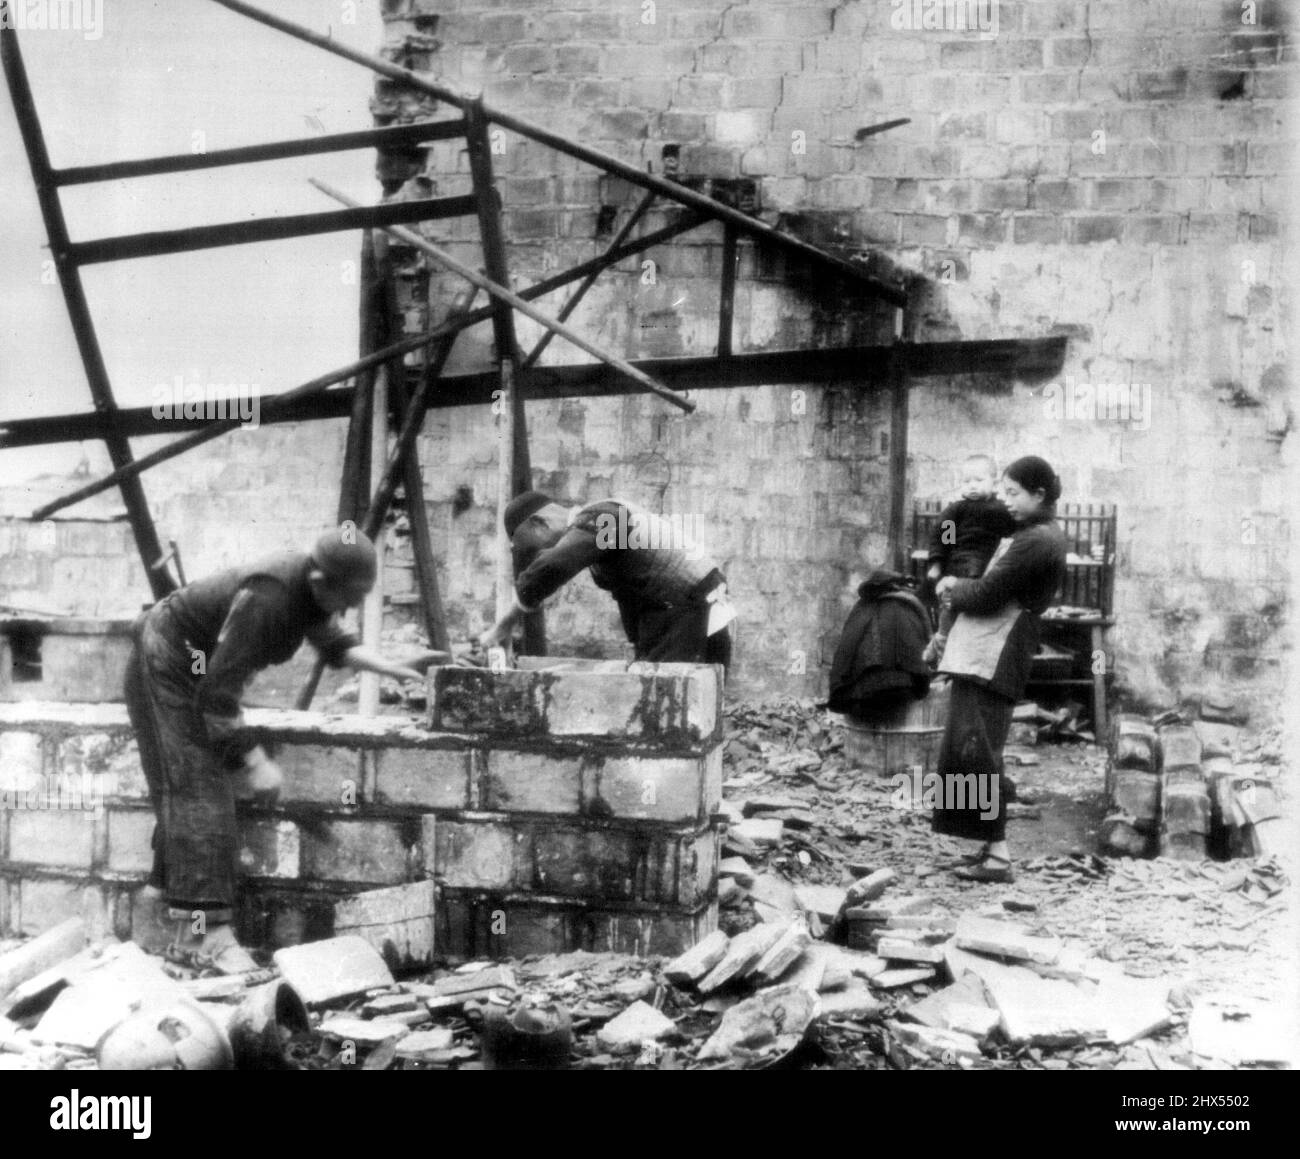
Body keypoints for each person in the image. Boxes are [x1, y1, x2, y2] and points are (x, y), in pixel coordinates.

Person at [124, 527, 442, 971]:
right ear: (320, 581)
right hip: (168, 661)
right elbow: (217, 698)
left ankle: (164, 914)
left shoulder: (307, 591)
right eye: (348, 597)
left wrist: (393, 667)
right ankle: (205, 936)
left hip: (194, 667)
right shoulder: (270, 600)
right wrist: (255, 762)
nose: (350, 608)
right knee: (199, 784)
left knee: (189, 786)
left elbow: (333, 643)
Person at [931, 456, 1067, 883]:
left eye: (1013, 493)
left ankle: (1000, 856)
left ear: (1039, 494)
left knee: (980, 755)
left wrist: (953, 587)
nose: (1006, 501)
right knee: (973, 751)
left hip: (995, 652)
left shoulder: (1037, 541)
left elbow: (988, 593)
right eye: (1003, 492)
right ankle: (990, 847)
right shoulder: (1032, 534)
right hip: (988, 652)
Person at [479, 492, 734, 670]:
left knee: (667, 711)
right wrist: (640, 651)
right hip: (687, 612)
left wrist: (503, 625)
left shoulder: (604, 517)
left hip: (691, 612)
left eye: (538, 550)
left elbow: (552, 567)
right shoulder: (601, 532)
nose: (543, 554)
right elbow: (634, 597)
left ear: (539, 524)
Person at [923, 453, 1017, 666]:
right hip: (959, 561)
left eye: (979, 480)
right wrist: (937, 563)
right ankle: (940, 641)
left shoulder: (1001, 510)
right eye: (967, 481)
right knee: (948, 605)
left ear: (994, 483)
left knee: (973, 615)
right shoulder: (956, 510)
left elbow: (1012, 536)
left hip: (986, 566)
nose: (972, 486)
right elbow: (945, 538)